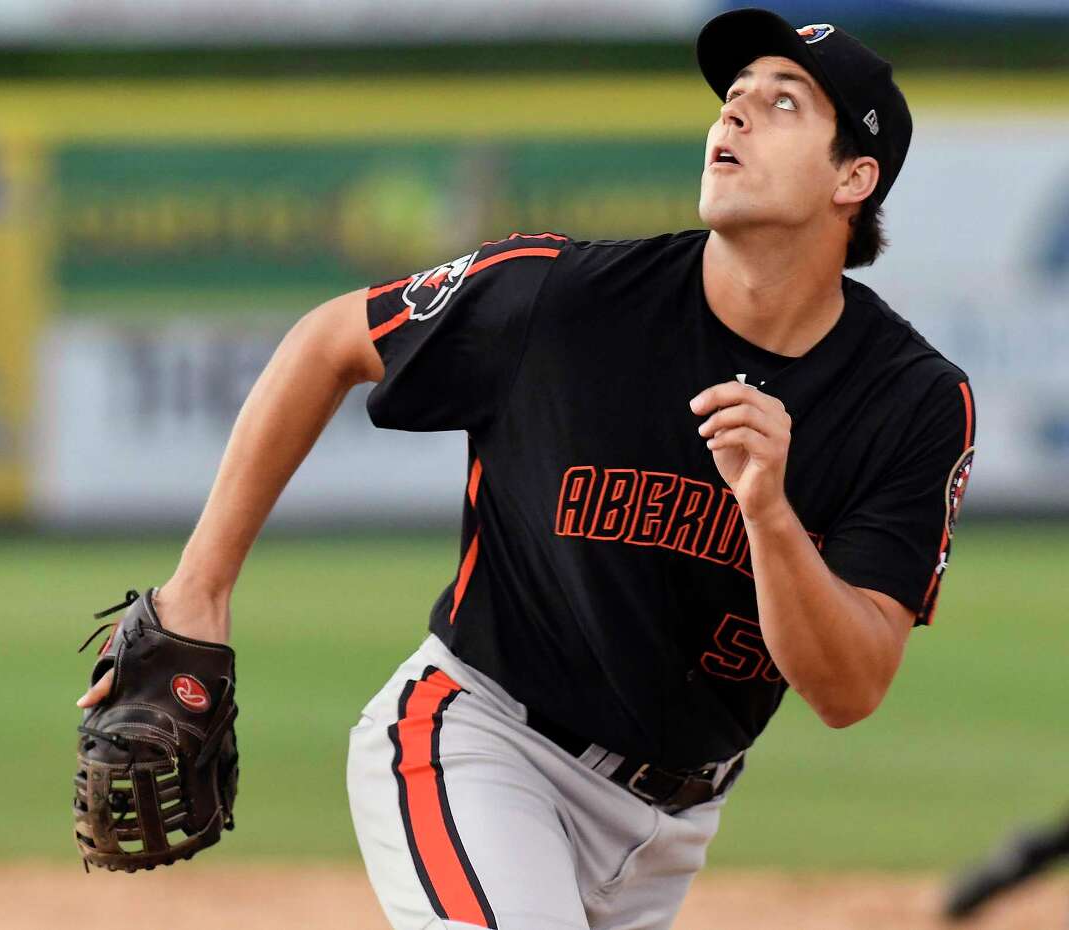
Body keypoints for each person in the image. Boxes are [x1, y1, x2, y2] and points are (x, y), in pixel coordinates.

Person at [74, 9, 977, 928]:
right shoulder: (562, 297)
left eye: (781, 104)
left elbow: (850, 687)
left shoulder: (912, 403)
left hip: (672, 827)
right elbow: (328, 342)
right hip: (478, 745)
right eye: (732, 98)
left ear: (853, 178)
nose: (733, 117)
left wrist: (771, 516)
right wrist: (198, 588)